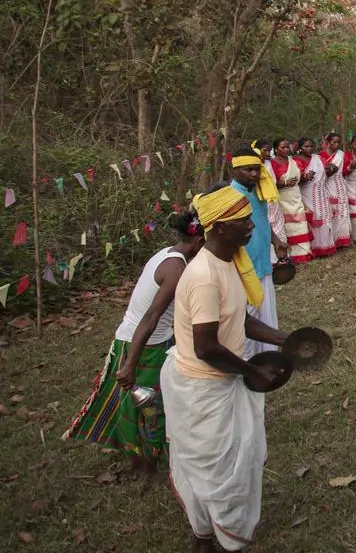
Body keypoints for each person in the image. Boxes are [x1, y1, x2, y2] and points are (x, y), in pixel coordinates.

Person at [160, 184, 289, 553]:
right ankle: (210, 535)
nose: (251, 227)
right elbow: (206, 347)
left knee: (235, 462)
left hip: (221, 382)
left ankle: (215, 534)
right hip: (202, 389)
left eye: (249, 219)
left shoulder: (229, 261)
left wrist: (284, 339)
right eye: (243, 222)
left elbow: (241, 321)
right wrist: (250, 370)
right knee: (216, 472)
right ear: (217, 228)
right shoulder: (202, 276)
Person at [64, 211, 206, 477]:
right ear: (198, 241)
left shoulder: (167, 254)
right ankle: (145, 463)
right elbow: (151, 317)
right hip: (144, 346)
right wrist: (130, 364)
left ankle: (145, 457)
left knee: (140, 404)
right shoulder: (176, 269)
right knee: (149, 406)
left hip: (138, 339)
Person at [230, 146, 289, 358]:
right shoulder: (230, 195)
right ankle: (247, 361)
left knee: (266, 313)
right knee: (248, 318)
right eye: (247, 170)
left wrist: (276, 240)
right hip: (244, 268)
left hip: (263, 262)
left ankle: (269, 356)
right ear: (235, 170)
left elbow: (263, 218)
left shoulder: (258, 190)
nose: (253, 174)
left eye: (256, 169)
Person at [268, 138, 313, 261]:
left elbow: (300, 178)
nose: (286, 150)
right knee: (288, 226)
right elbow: (271, 184)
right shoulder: (272, 164)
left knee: (301, 223)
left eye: (288, 147)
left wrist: (306, 177)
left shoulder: (294, 161)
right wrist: (285, 183)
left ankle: (304, 253)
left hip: (295, 195)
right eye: (283, 147)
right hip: (282, 198)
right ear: (276, 149)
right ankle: (291, 254)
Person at [295, 137, 336, 258]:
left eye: (311, 146)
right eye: (306, 146)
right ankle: (313, 248)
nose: (309, 149)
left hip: (321, 193)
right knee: (312, 219)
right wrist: (304, 177)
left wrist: (331, 169)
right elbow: (297, 179)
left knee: (324, 220)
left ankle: (325, 247)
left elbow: (327, 171)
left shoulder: (318, 158)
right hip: (307, 194)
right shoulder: (296, 160)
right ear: (300, 148)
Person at [322, 132, 353, 249]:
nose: (336, 144)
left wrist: (351, 167)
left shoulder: (342, 154)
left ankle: (343, 239)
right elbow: (321, 172)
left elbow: (346, 171)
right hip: (329, 185)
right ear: (328, 142)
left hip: (341, 185)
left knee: (343, 212)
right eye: (333, 142)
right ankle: (333, 239)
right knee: (332, 212)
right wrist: (329, 171)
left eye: (338, 142)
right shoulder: (321, 155)